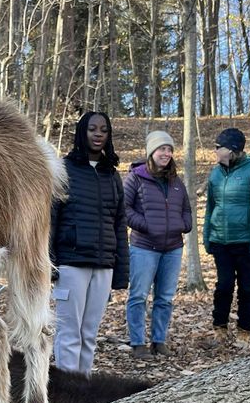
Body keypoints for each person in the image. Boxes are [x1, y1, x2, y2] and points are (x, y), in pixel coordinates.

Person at [51, 111, 129, 374]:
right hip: (71, 264)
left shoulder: (112, 175)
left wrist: (120, 271)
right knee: (69, 333)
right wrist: (49, 263)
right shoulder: (64, 170)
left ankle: (82, 391)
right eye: (92, 129)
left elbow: (119, 224)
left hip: (103, 265)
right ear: (82, 133)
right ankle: (67, 391)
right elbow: (51, 218)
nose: (98, 134)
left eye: (103, 130)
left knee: (89, 334)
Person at [124, 130, 192, 358]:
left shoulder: (175, 181)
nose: (166, 153)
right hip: (144, 246)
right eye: (162, 149)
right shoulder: (136, 177)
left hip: (172, 248)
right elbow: (124, 210)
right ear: (152, 151)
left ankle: (159, 341)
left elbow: (186, 209)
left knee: (164, 298)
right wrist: (145, 224)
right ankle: (138, 343)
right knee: (138, 296)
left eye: (170, 149)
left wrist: (185, 224)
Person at [203, 126, 250, 346]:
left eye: (218, 147)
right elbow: (210, 207)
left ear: (232, 149)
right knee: (223, 285)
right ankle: (219, 329)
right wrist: (207, 235)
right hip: (220, 240)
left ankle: (244, 331)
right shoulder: (215, 173)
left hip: (246, 242)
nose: (215, 151)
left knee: (247, 288)